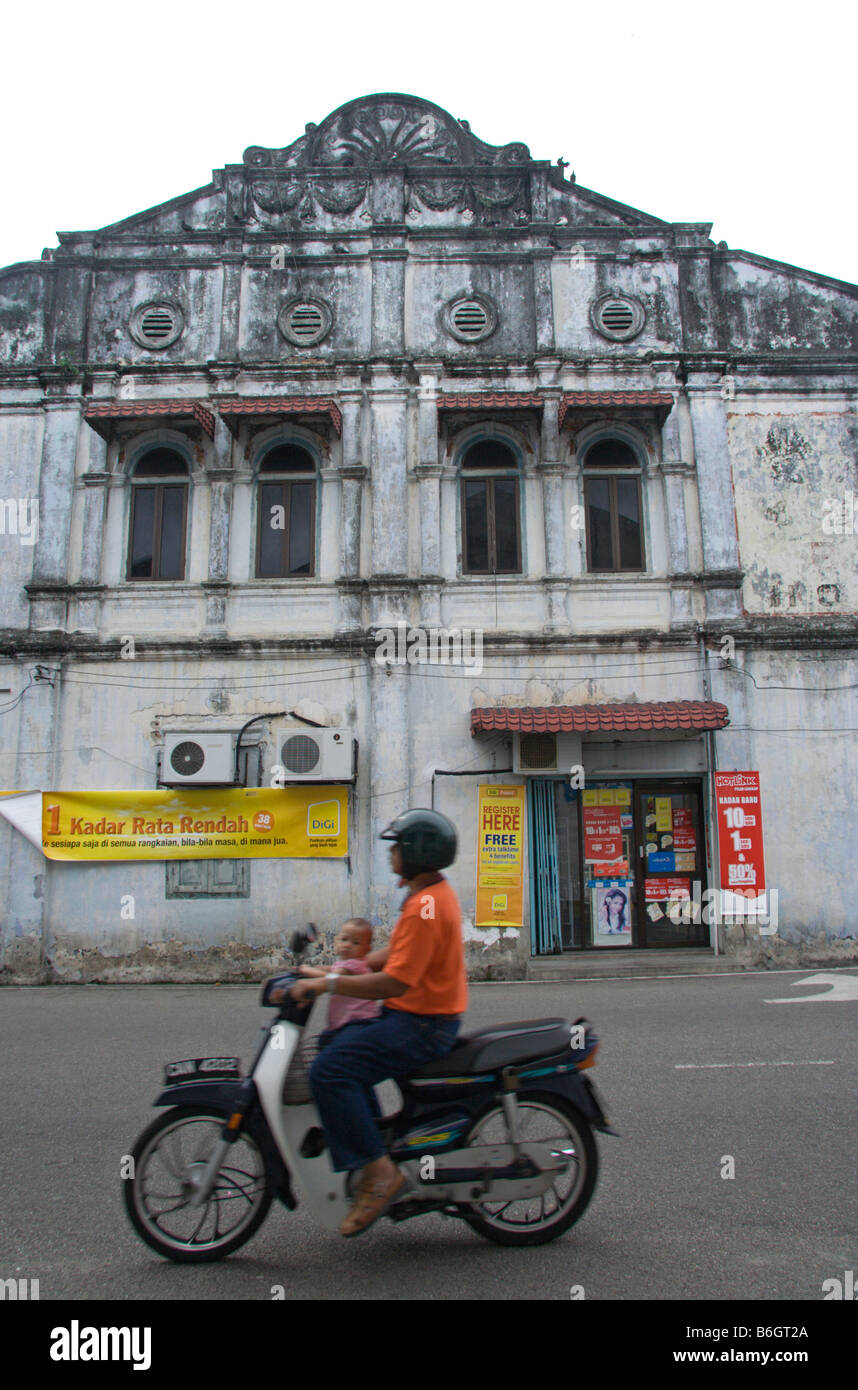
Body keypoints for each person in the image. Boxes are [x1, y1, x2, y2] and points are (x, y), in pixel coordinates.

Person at [290, 808, 466, 1238]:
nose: (391, 855)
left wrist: (329, 986)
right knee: (339, 1045)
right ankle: (370, 1142)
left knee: (330, 1071)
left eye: (397, 847)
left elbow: (396, 981)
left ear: (416, 852)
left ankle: (380, 1172)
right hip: (419, 1016)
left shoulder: (426, 905)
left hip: (423, 1024)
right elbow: (394, 956)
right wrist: (343, 968)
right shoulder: (428, 895)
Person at [297, 917, 381, 1048]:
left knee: (332, 1049)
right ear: (337, 940)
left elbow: (332, 978)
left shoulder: (354, 966)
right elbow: (335, 969)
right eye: (344, 939)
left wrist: (306, 970)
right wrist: (320, 968)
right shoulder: (351, 963)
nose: (347, 945)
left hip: (356, 1022)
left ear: (367, 949)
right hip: (347, 1022)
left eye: (356, 943)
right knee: (323, 1042)